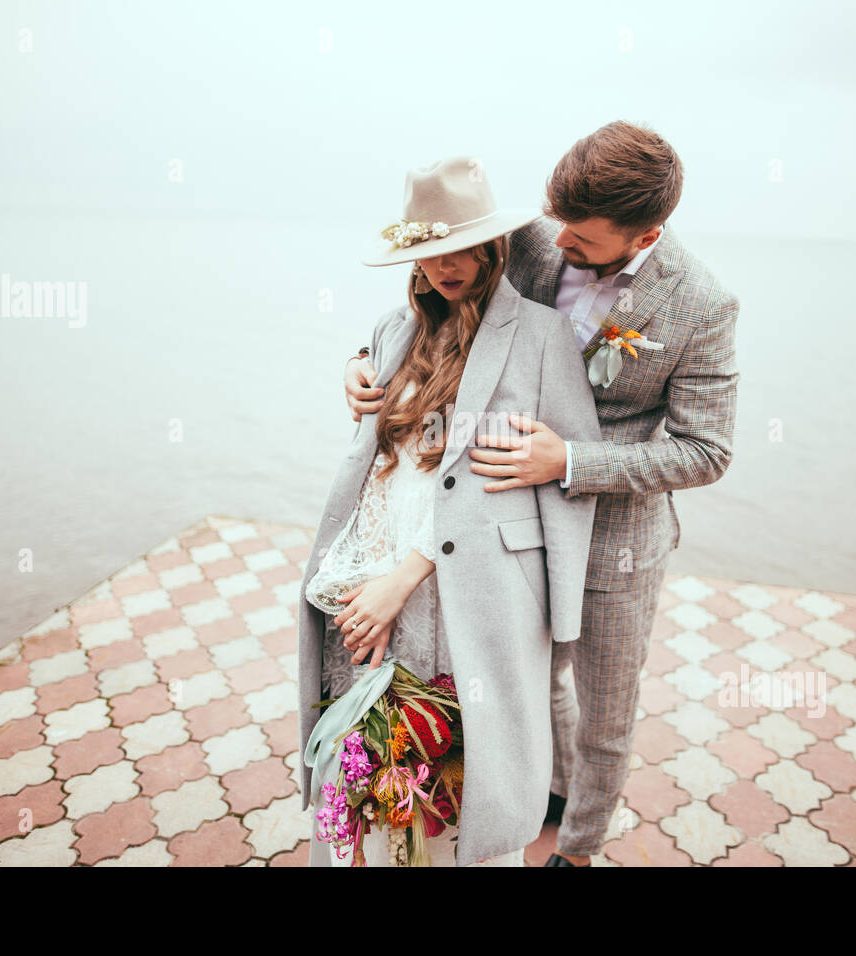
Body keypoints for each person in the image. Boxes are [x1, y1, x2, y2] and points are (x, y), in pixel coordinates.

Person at [345, 122, 741, 866]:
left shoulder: (702, 306)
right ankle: (542, 789)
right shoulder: (527, 239)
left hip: (619, 542)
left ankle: (577, 848)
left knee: (605, 713)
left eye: (583, 242)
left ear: (646, 232)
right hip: (514, 523)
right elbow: (437, 316)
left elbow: (707, 451)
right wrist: (362, 362)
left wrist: (573, 459)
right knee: (530, 677)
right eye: (558, 227)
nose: (559, 247)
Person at [297, 156, 602, 867]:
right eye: (432, 253)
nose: (450, 266)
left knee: (468, 776)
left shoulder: (541, 336)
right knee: (379, 767)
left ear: (497, 245)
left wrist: (560, 613)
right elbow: (383, 466)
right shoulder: (391, 332)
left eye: (466, 247)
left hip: (476, 588)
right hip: (376, 580)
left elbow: (560, 473)